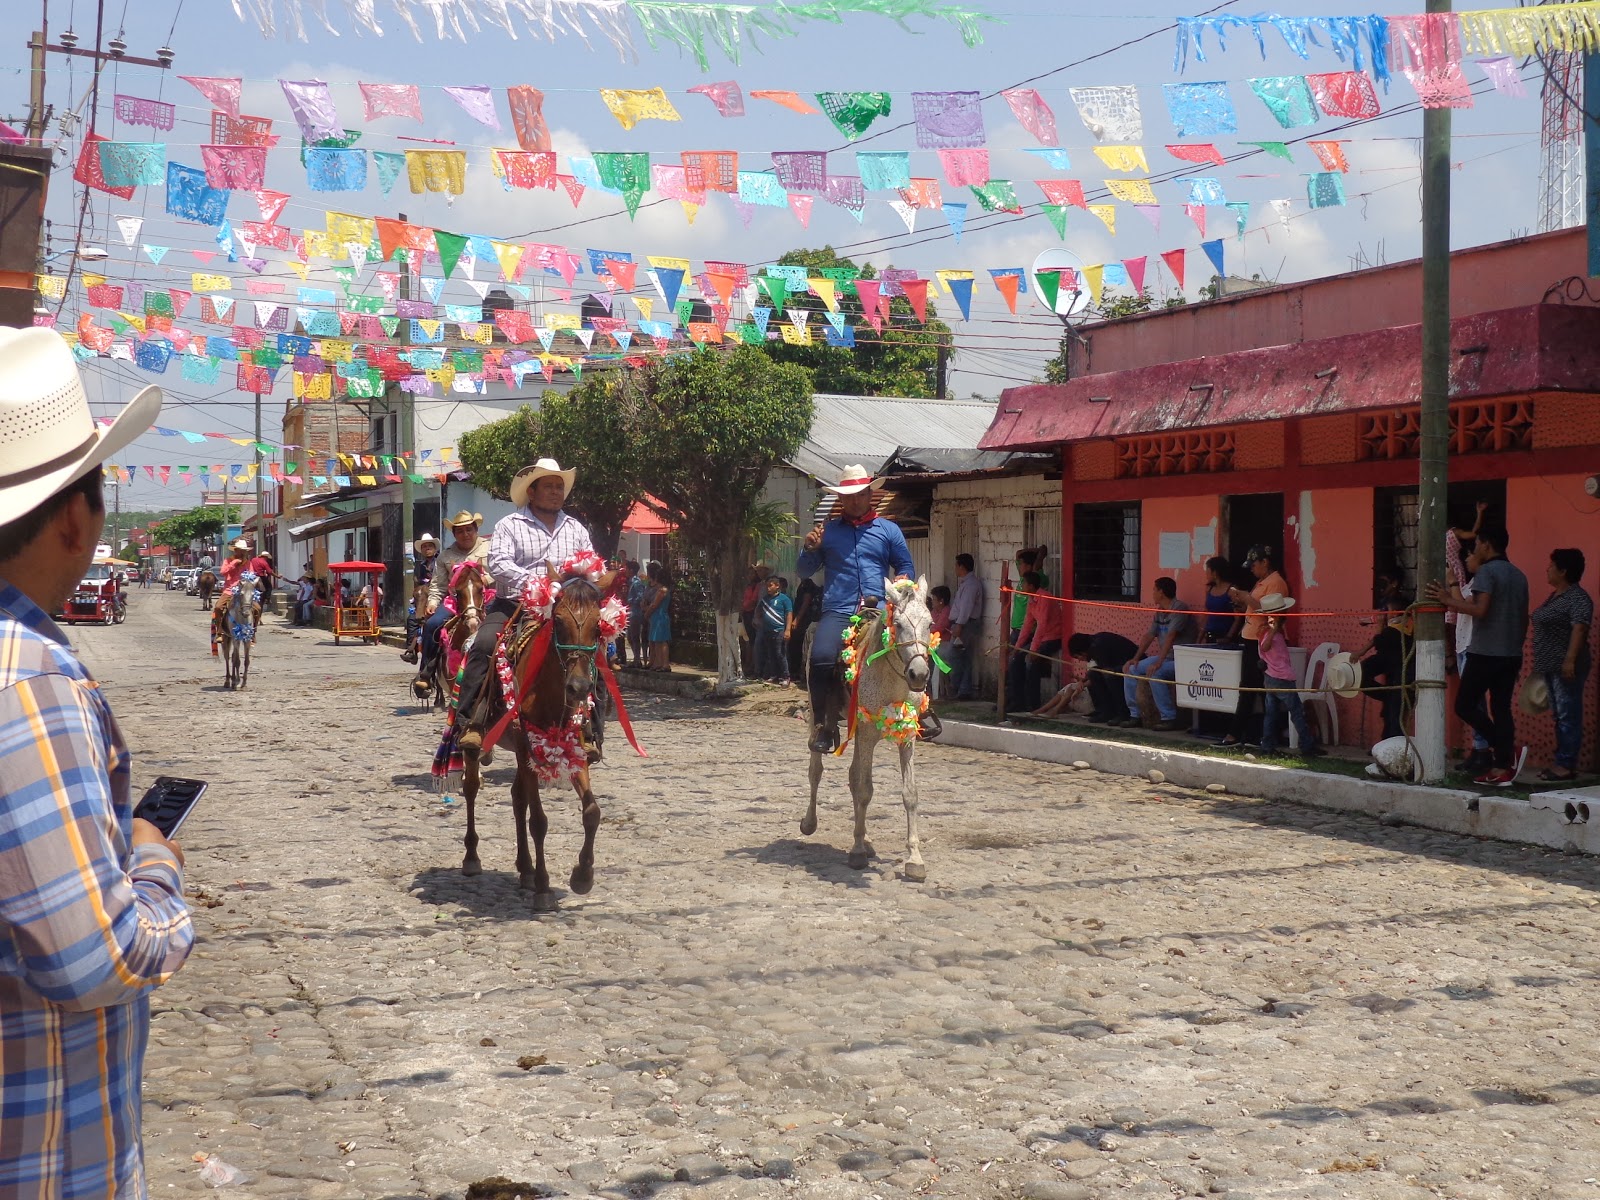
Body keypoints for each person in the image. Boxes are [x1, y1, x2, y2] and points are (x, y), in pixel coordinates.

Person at [0, 326, 194, 1199]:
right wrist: (154, 860)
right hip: (42, 1156)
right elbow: (96, 958)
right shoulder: (29, 676)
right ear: (76, 517)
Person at [454, 459, 596, 756]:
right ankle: (472, 723)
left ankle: (591, 730)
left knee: (595, 652)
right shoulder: (510, 525)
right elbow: (500, 563)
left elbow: (589, 565)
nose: (556, 492)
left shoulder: (577, 529)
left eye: (560, 487)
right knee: (482, 645)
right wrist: (540, 581)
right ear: (531, 492)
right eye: (549, 487)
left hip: (564, 609)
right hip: (514, 603)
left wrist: (581, 586)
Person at [795, 464, 931, 753]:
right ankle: (822, 724)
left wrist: (902, 584)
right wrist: (809, 548)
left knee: (914, 646)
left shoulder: (889, 531)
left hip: (880, 610)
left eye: (859, 494)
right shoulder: (826, 532)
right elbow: (804, 572)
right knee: (820, 659)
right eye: (848, 496)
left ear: (870, 494)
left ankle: (921, 710)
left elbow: (905, 565)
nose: (854, 500)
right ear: (840, 499)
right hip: (838, 609)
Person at [1426, 525, 1530, 786]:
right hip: (1511, 653)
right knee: (1501, 708)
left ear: (1487, 544)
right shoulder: (1518, 575)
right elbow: (1522, 618)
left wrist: (1446, 599)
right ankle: (1502, 765)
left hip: (1485, 652)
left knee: (1464, 705)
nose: (1474, 549)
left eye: (1477, 544)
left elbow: (1479, 610)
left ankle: (1504, 751)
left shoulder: (1487, 572)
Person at [410, 511, 490, 697]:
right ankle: (426, 673)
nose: (465, 534)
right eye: (460, 531)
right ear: (454, 534)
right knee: (431, 625)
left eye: (469, 530)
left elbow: (501, 569)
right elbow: (438, 584)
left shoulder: (490, 548)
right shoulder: (445, 556)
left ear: (476, 530)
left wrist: (486, 579)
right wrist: (432, 602)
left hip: (486, 598)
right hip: (455, 601)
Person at [1530, 548, 1593, 782]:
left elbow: (1580, 627)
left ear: (1563, 571)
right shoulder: (1555, 595)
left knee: (1568, 714)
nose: (1547, 569)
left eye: (1551, 565)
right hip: (1550, 665)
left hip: (1565, 666)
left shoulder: (1577, 597)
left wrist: (1570, 660)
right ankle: (1561, 760)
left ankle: (1566, 764)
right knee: (1559, 714)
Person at [1222, 545, 1289, 747]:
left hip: (1262, 642)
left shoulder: (1276, 582)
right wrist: (1242, 602)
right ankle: (1256, 734)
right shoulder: (1262, 582)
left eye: (1254, 564)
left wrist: (1246, 597)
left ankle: (1241, 734)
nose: (1251, 569)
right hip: (1251, 638)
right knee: (1253, 688)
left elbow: (1273, 613)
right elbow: (1256, 607)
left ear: (1265, 562)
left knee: (1258, 688)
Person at [1118, 576, 1194, 731]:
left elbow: (1171, 636)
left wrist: (1158, 661)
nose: (1152, 593)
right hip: (1166, 658)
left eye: (1154, 589)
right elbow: (1149, 636)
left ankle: (1169, 717)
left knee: (1156, 673)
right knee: (1131, 670)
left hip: (1181, 659)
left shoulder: (1179, 608)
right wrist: (1135, 658)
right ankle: (1135, 715)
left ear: (1161, 592)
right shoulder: (1160, 612)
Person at [1256, 593, 1323, 756]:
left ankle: (1267, 746)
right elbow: (1265, 647)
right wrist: (1273, 629)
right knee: (1297, 712)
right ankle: (1307, 745)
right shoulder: (1270, 632)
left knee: (1271, 714)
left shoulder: (1267, 631)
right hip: (1281, 678)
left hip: (1271, 677)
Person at [1355, 566, 1415, 740]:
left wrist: (1362, 650)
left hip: (1401, 658)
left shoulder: (1399, 604)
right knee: (1360, 675)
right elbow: (1380, 630)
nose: (1381, 586)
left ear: (1395, 583)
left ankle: (1391, 745)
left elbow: (1389, 634)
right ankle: (1388, 698)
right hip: (1386, 656)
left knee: (1396, 707)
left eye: (1385, 582)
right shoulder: (1385, 603)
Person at [1005, 546, 1049, 707]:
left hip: (1027, 630)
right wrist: (1035, 550)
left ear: (1030, 566)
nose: (1019, 566)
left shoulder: (1037, 578)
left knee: (1018, 665)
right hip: (1016, 629)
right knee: (1011, 665)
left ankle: (1020, 701)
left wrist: (1039, 557)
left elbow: (1039, 560)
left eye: (1022, 564)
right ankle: (1011, 698)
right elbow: (1018, 554)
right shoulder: (1024, 580)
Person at [1066, 629, 1140, 723]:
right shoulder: (1096, 644)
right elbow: (1100, 669)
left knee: (1109, 677)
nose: (1080, 660)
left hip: (1132, 666)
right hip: (1120, 666)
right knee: (1093, 674)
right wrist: (1083, 681)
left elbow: (1107, 670)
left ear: (1083, 652)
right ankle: (1103, 711)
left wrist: (1084, 682)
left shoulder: (1098, 646)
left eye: (1078, 657)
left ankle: (1122, 713)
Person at [1015, 574, 1063, 713]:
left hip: (1053, 637)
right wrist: (1017, 647)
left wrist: (1033, 649)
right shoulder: (1031, 600)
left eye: (1024, 583)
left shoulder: (1044, 598)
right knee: (1015, 659)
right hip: (1042, 639)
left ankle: (1033, 705)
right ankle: (1018, 702)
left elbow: (1041, 624)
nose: (1022, 586)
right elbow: (1027, 625)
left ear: (1031, 586)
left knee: (1031, 663)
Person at [947, 553, 984, 701]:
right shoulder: (966, 583)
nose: (955, 569)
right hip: (962, 623)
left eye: (956, 565)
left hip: (965, 624)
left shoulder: (971, 585)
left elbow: (966, 608)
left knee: (957, 656)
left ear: (962, 567)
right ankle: (962, 689)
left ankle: (960, 688)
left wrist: (959, 625)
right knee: (964, 657)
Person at [403, 532, 440, 663]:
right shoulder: (420, 566)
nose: (427, 548)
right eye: (424, 546)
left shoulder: (440, 561)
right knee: (412, 619)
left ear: (435, 548)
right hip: (423, 597)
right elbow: (418, 582)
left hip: (439, 594)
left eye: (430, 546)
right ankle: (412, 650)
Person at [758, 574, 794, 684]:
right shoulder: (765, 600)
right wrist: (756, 620)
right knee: (771, 654)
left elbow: (789, 614)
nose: (768, 588)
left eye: (770, 585)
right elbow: (758, 611)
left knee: (780, 654)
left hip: (779, 631)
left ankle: (786, 676)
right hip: (768, 631)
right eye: (767, 586)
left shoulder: (784, 599)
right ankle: (774, 675)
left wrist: (787, 630)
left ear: (777, 586)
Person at [1200, 556, 1243, 644]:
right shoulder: (1209, 589)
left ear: (1215, 573)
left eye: (1208, 571)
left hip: (1224, 635)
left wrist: (1228, 637)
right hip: (1210, 635)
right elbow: (1206, 614)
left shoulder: (1231, 590)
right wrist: (1200, 637)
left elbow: (1238, 618)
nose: (1206, 574)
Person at [787, 575, 820, 685]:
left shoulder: (808, 585)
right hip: (803, 621)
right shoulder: (802, 584)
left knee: (797, 646)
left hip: (804, 621)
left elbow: (805, 603)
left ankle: (796, 673)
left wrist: (797, 619)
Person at [645, 560, 673, 671]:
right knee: (657, 641)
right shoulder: (663, 590)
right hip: (659, 617)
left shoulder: (662, 590)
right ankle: (659, 663)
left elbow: (654, 605)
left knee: (661, 641)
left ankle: (664, 663)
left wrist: (647, 613)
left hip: (659, 617)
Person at [928, 584, 952, 701]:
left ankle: (933, 690)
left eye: (934, 599)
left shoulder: (946, 612)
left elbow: (938, 628)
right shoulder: (934, 612)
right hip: (934, 644)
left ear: (941, 601)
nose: (932, 602)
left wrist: (929, 630)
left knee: (929, 658)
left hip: (945, 645)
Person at [625, 559, 647, 668]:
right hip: (631, 612)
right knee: (630, 636)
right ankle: (636, 658)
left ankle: (637, 659)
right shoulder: (630, 582)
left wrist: (631, 601)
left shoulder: (637, 582)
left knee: (634, 636)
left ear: (631, 570)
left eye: (627, 569)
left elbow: (640, 596)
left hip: (635, 613)